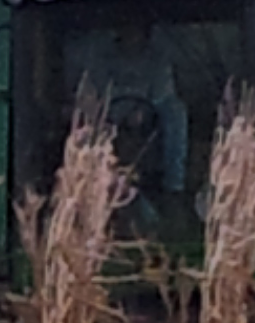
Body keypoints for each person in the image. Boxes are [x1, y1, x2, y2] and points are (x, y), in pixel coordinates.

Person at [68, 20, 189, 194]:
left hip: (148, 116)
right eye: (126, 28)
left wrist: (141, 112)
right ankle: (87, 184)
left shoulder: (157, 61)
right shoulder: (102, 59)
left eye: (136, 29)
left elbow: (163, 93)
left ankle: (174, 184)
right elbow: (96, 89)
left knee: (176, 112)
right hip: (109, 114)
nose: (131, 34)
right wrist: (110, 113)